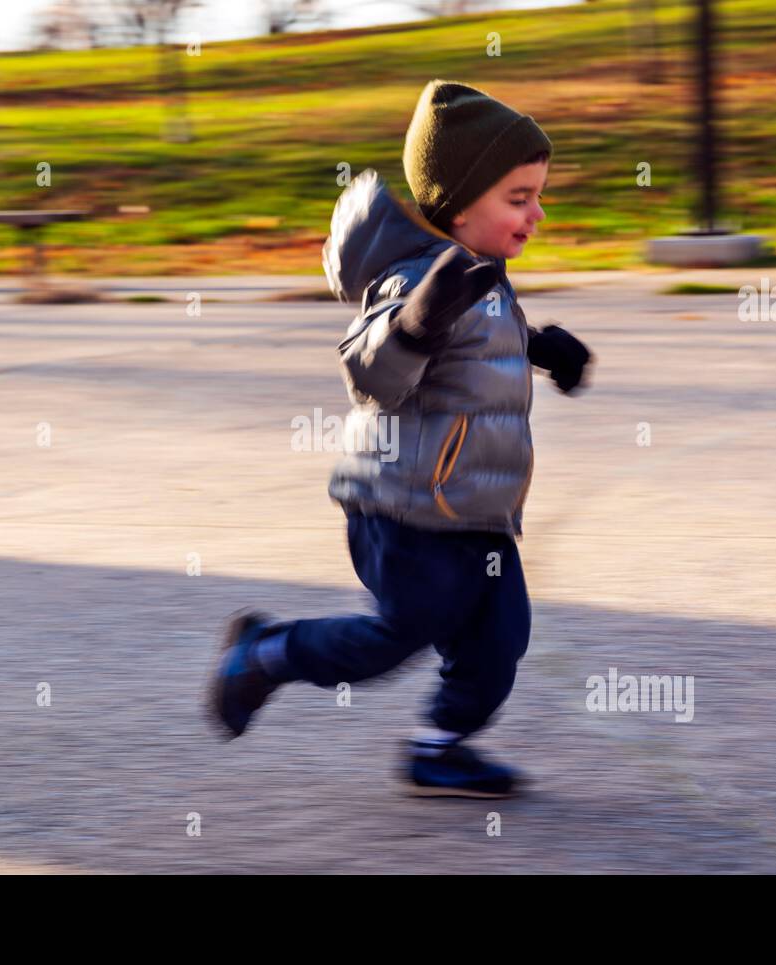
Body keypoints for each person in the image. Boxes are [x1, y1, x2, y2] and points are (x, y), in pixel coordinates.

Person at [208, 80, 593, 798]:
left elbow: (475, 353)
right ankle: (263, 653)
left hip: (472, 509)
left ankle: (437, 746)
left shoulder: (482, 279)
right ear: (459, 201)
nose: (537, 213)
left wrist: (541, 349)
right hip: (405, 507)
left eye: (539, 195)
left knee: (500, 637)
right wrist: (415, 319)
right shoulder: (415, 279)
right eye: (519, 197)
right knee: (396, 636)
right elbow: (371, 370)